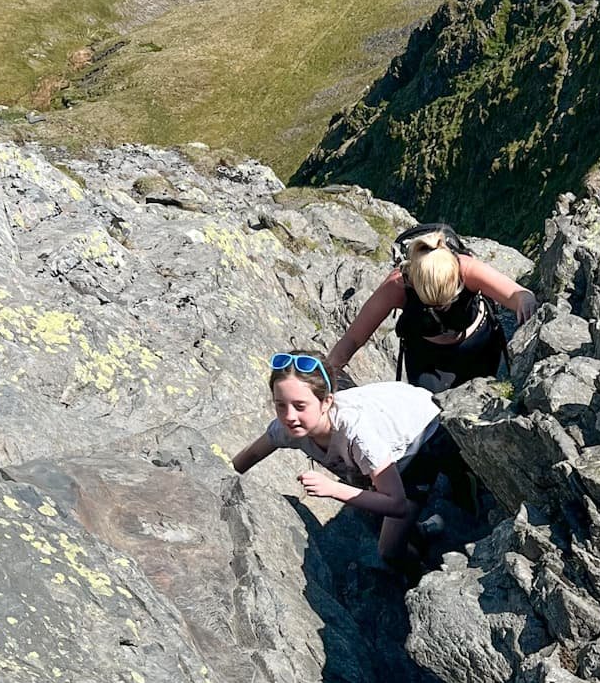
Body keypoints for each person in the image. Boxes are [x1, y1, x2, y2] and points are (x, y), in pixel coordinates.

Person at [230, 352, 453, 568]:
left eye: (300, 406)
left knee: (389, 551)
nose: (289, 416)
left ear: (326, 402)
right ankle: (418, 530)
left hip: (421, 434)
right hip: (387, 428)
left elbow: (397, 504)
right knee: (372, 500)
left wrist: (333, 489)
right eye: (280, 404)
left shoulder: (358, 435)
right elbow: (247, 458)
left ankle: (423, 572)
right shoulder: (288, 427)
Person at [325, 224, 538, 391]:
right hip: (429, 360)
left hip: (477, 348)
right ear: (414, 282)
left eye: (447, 300)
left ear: (456, 277)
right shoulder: (398, 285)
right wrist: (326, 374)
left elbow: (516, 294)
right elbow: (353, 338)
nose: (441, 307)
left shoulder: (467, 269)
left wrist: (526, 302)